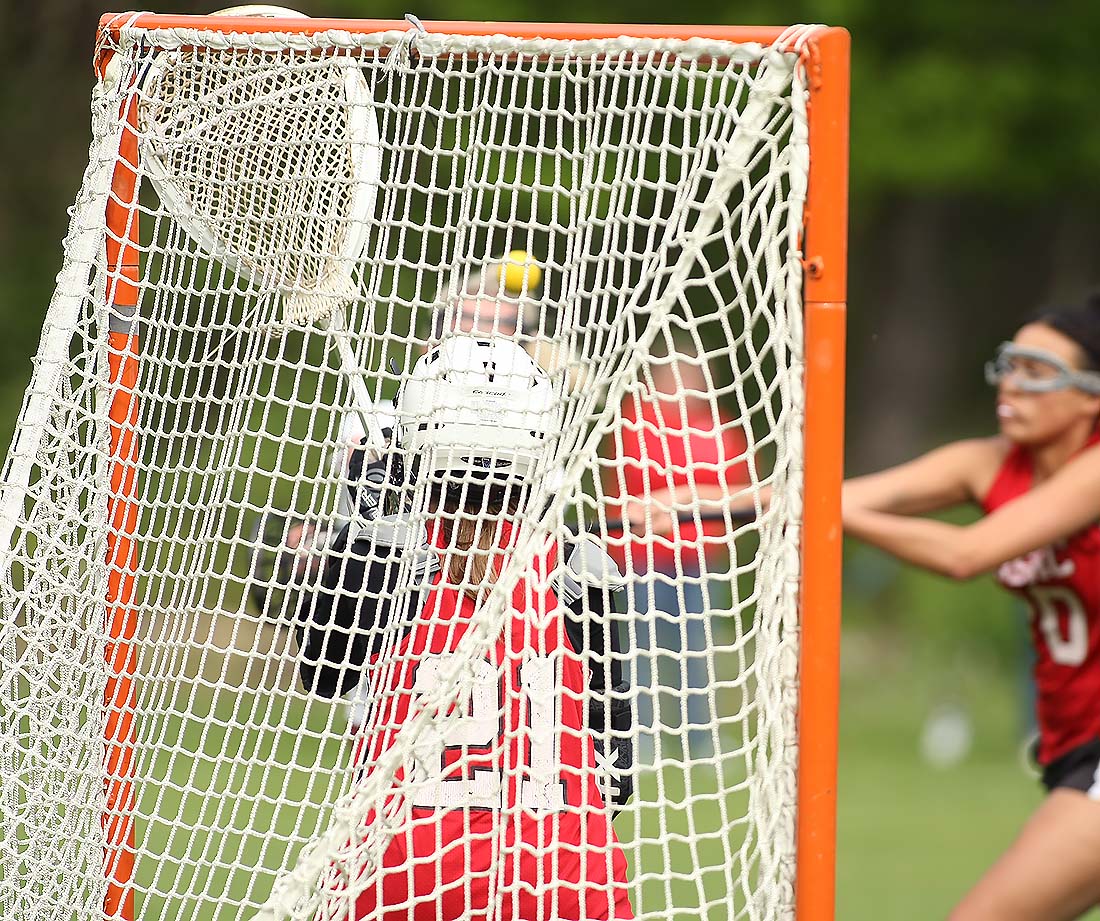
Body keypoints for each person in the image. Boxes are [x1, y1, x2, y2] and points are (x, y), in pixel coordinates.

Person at [295, 335, 635, 921]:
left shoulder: (390, 558)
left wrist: (366, 512)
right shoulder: (581, 568)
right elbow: (616, 774)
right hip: (565, 884)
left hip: (403, 879)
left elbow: (322, 671)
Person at [842, 292, 1100, 921]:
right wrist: (703, 500)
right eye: (1010, 365)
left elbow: (965, 555)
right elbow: (836, 496)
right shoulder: (986, 464)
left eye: (1038, 373)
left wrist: (818, 511)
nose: (1012, 384)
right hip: (1072, 743)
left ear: (1092, 395)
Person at [603, 335, 750, 757]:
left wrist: (688, 494)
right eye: (677, 374)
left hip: (699, 561)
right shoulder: (637, 421)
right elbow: (644, 479)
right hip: (641, 558)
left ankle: (701, 741)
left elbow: (737, 492)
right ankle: (640, 739)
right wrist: (694, 490)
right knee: (639, 657)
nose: (686, 382)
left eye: (694, 374)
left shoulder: (724, 430)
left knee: (696, 657)